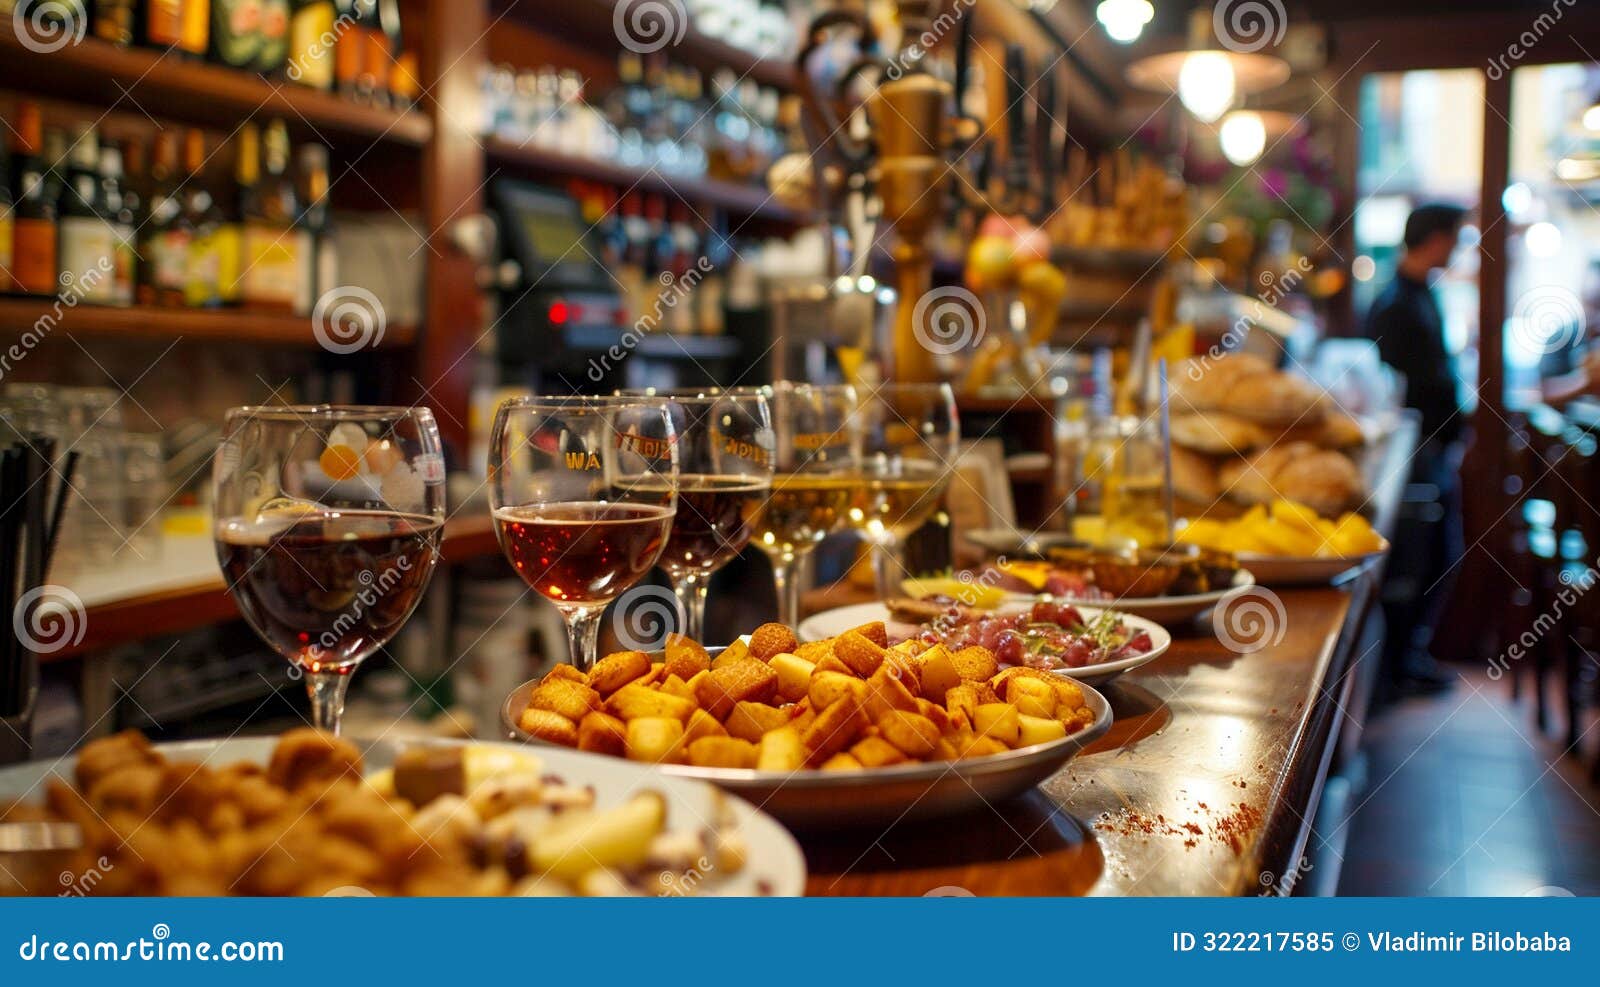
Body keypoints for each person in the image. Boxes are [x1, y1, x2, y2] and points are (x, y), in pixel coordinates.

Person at [1364, 203, 1468, 697]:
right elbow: (1393, 387)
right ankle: (1400, 664)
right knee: (1420, 556)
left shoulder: (1419, 293)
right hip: (1416, 450)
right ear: (1435, 239)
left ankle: (1410, 657)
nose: (1459, 247)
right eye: (1455, 237)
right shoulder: (1394, 303)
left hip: (1432, 447)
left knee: (1438, 552)